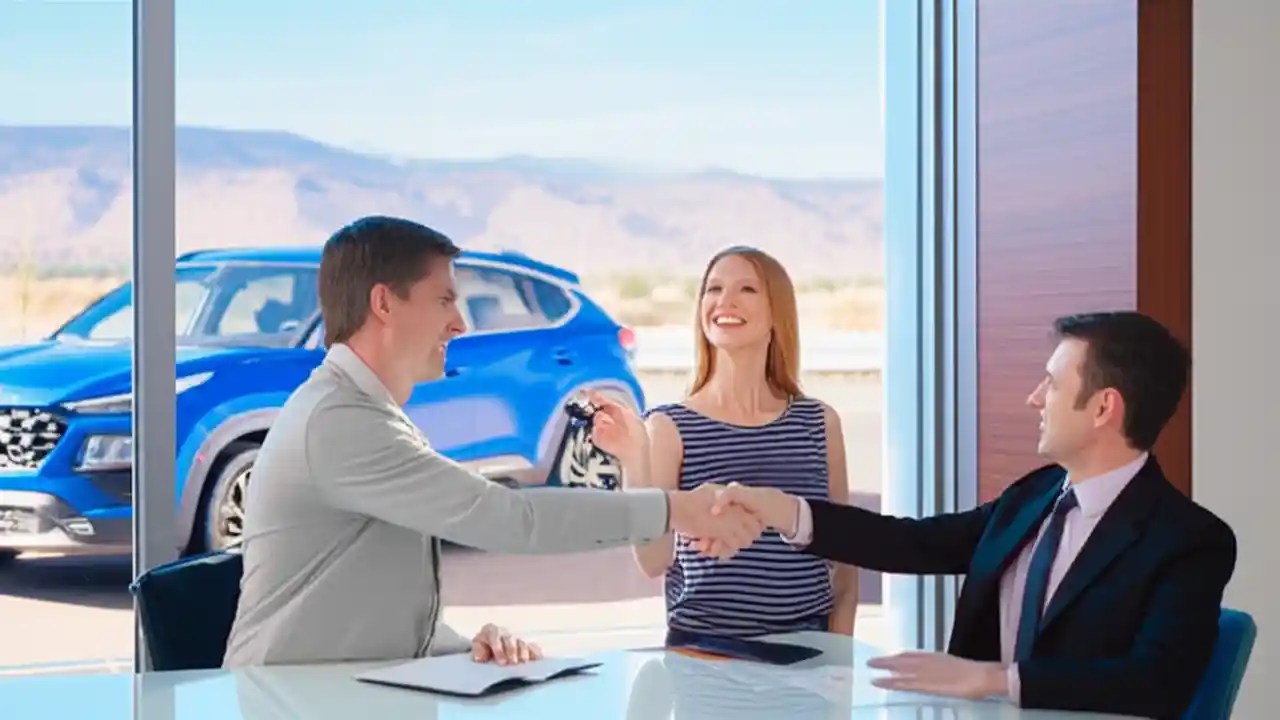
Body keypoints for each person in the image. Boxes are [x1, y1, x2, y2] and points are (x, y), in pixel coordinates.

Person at [222, 216, 763, 668]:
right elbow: (511, 518)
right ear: (383, 303)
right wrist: (679, 509)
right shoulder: (339, 421)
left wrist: (457, 645)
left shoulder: (363, 411)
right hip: (288, 701)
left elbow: (355, 601)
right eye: (444, 300)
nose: (460, 324)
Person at [708, 311, 1236, 719]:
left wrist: (992, 679)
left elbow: (1155, 682)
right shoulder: (1038, 494)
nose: (1035, 398)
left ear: (1103, 408)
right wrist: (783, 509)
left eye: (1051, 383)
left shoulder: (1188, 541)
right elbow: (915, 543)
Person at [626, 246, 860, 640]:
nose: (724, 301)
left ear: (777, 313)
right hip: (706, 656)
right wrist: (633, 461)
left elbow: (846, 559)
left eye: (747, 289)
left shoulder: (819, 423)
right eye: (713, 289)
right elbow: (653, 561)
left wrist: (839, 663)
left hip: (810, 653)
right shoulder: (669, 426)